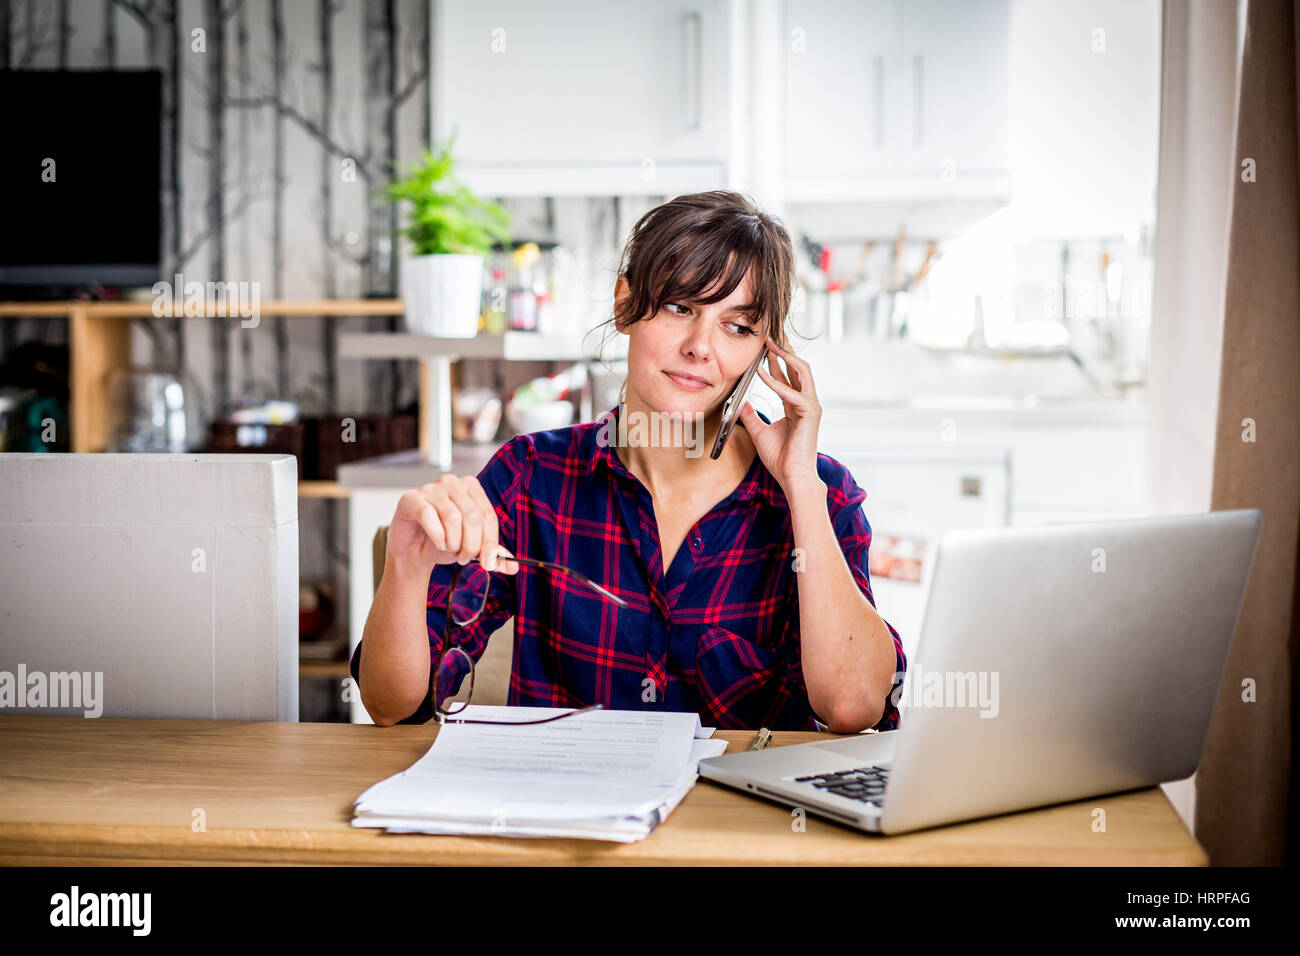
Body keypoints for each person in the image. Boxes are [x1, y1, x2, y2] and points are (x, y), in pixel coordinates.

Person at [353, 190, 906, 732]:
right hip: (569, 815)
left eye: (737, 327)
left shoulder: (817, 491)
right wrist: (405, 568)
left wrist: (799, 487)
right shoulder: (532, 477)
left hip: (738, 823)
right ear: (625, 305)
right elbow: (392, 704)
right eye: (678, 307)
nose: (700, 346)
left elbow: (852, 706)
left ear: (766, 351)